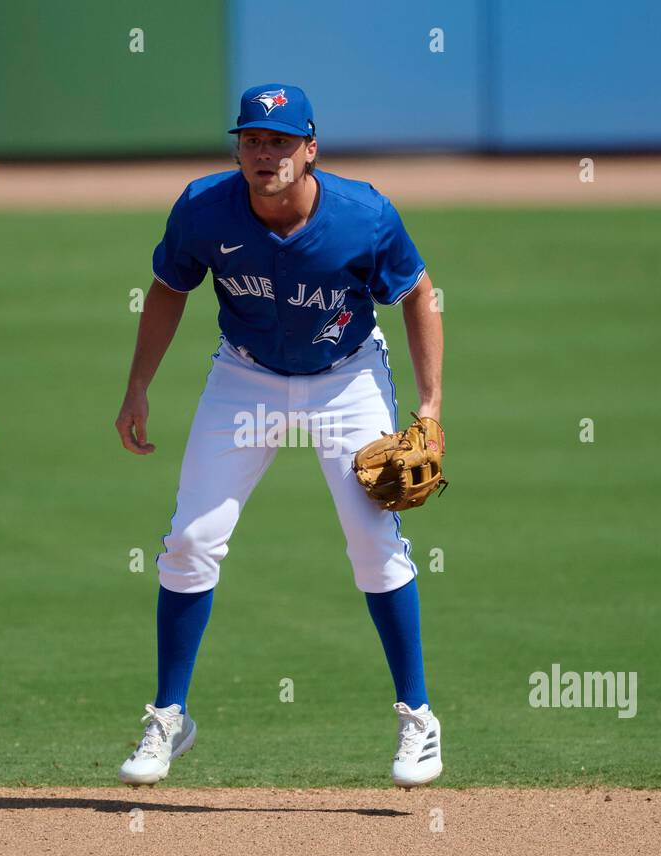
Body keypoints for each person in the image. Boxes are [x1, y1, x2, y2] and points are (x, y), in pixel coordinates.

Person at [114, 83, 445, 789]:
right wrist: (138, 384)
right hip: (247, 377)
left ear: (311, 149)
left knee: (372, 542)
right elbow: (170, 286)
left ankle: (418, 715)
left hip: (346, 378)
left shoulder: (363, 214)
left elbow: (417, 292)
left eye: (280, 142)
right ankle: (169, 717)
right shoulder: (205, 206)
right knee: (192, 540)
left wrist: (430, 408)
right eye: (252, 141)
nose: (265, 155)